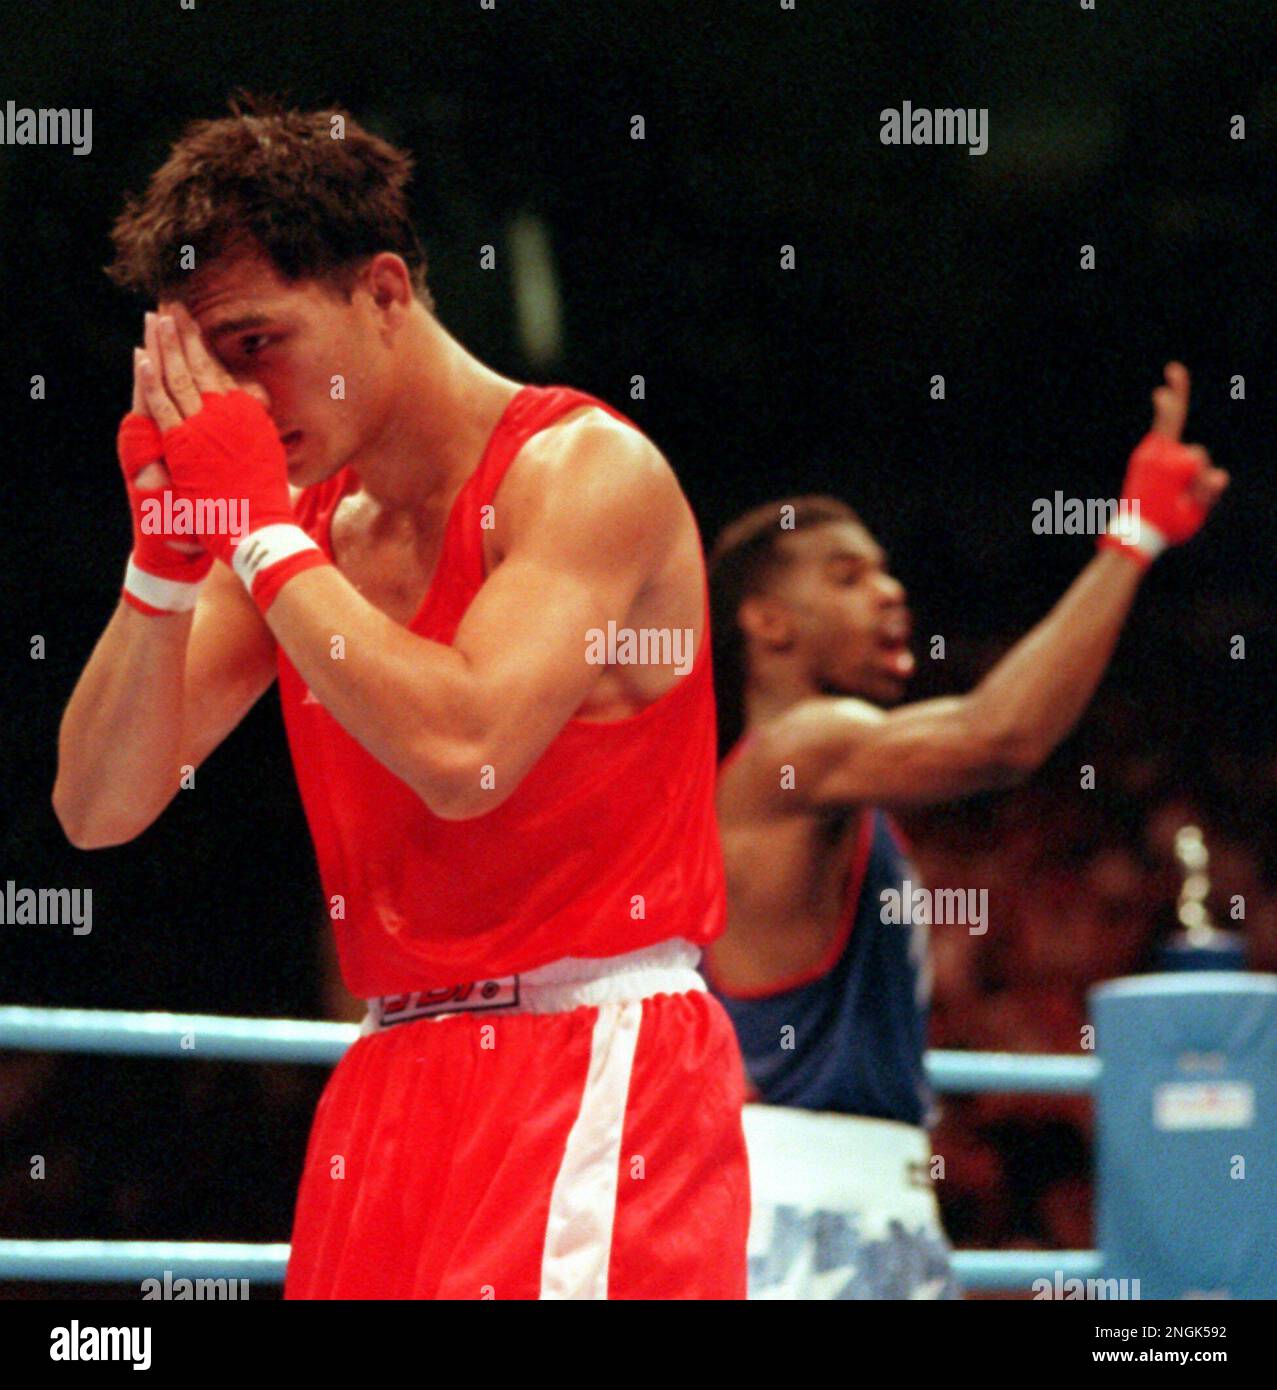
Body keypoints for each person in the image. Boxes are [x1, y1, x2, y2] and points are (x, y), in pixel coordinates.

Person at [51, 96, 748, 1300]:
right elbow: (97, 808)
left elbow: (466, 750)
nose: (236, 403)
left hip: (589, 1059)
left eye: (257, 343)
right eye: (203, 365)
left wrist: (258, 534)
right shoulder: (305, 535)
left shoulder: (583, 473)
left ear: (382, 291)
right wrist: (161, 570)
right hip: (389, 1078)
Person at [703, 364, 1227, 1298]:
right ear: (767, 622)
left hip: (856, 1199)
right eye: (847, 575)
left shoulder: (823, 777)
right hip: (798, 1204)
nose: (890, 591)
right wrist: (1132, 536)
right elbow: (1000, 734)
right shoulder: (802, 749)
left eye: (885, 567)